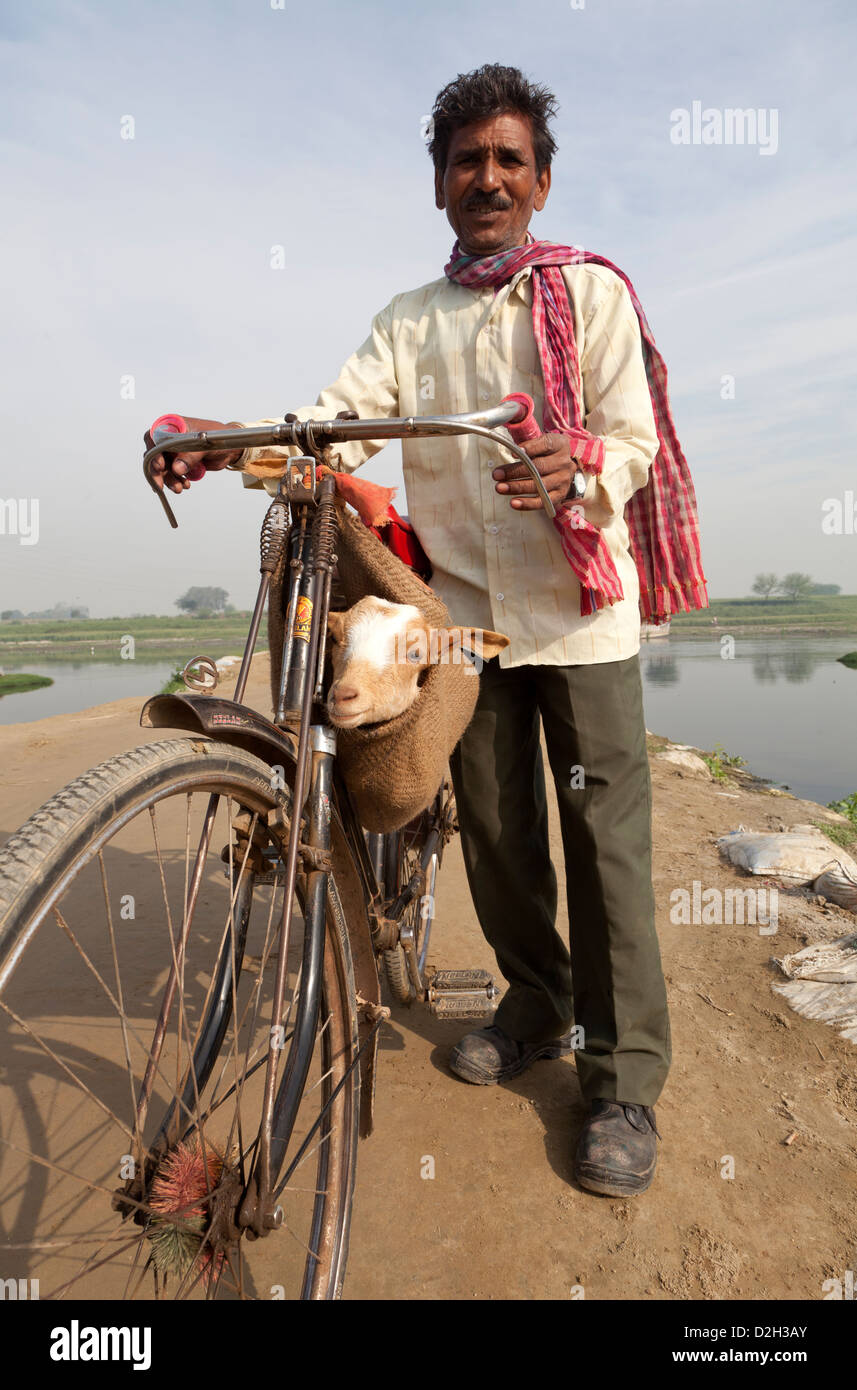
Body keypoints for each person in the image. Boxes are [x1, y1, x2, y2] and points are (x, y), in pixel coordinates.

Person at [149, 63, 707, 1198]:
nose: (487, 178)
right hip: (461, 624)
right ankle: (537, 1007)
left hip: (579, 618)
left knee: (604, 848)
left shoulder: (588, 294)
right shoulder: (408, 320)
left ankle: (622, 1079)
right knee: (498, 835)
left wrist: (577, 461)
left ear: (540, 182)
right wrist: (231, 436)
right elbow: (336, 427)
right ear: (438, 185)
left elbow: (633, 444)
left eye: (508, 160)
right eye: (466, 161)